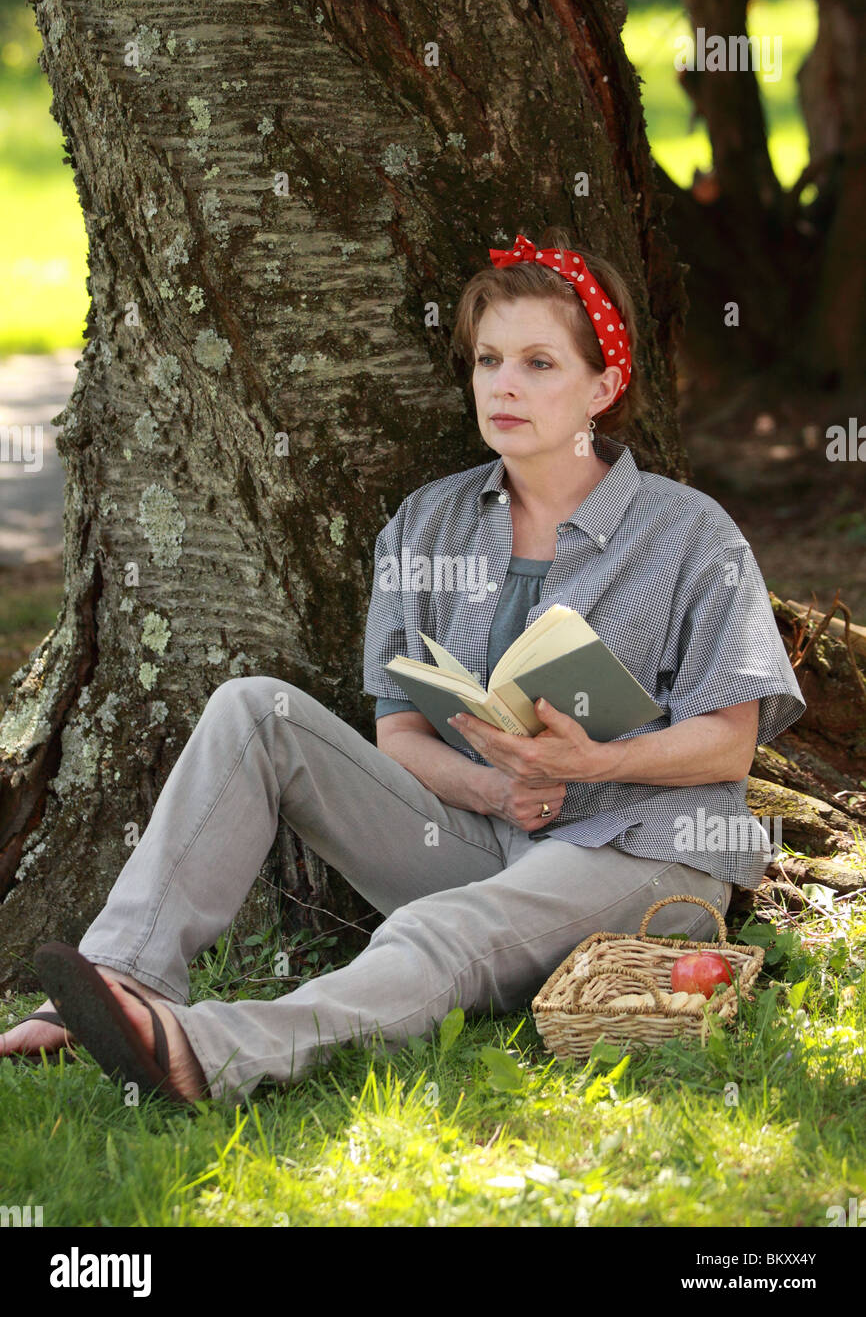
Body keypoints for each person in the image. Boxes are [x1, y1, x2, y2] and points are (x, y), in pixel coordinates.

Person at [1, 228, 806, 1105]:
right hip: (486, 832)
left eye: (540, 363)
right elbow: (398, 735)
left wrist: (593, 764)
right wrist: (504, 791)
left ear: (603, 389)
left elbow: (728, 748)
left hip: (644, 848)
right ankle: (123, 979)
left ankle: (210, 1053)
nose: (503, 383)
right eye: (489, 359)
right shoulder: (430, 523)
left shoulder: (688, 533)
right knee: (255, 712)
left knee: (443, 929)